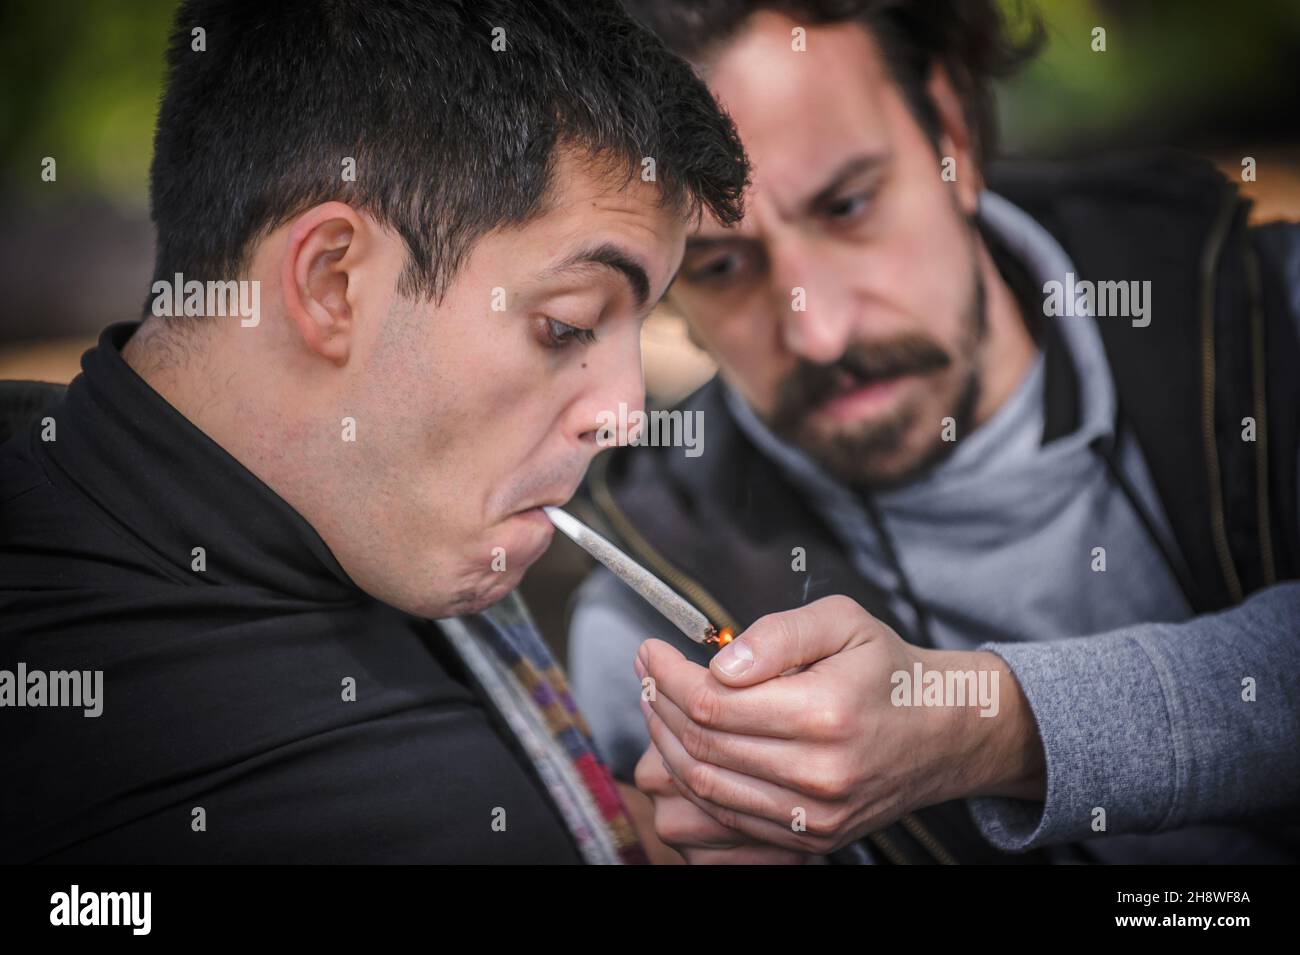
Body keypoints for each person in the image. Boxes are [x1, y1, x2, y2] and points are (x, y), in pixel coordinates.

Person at [0, 0, 747, 863]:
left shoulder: (377, 533)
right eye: (569, 325)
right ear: (331, 283)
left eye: (643, 324)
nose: (623, 412)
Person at [567, 0, 1300, 864]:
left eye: (847, 206)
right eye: (721, 267)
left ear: (950, 134)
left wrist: (986, 726)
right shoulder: (650, 636)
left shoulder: (1269, 312)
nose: (820, 331)